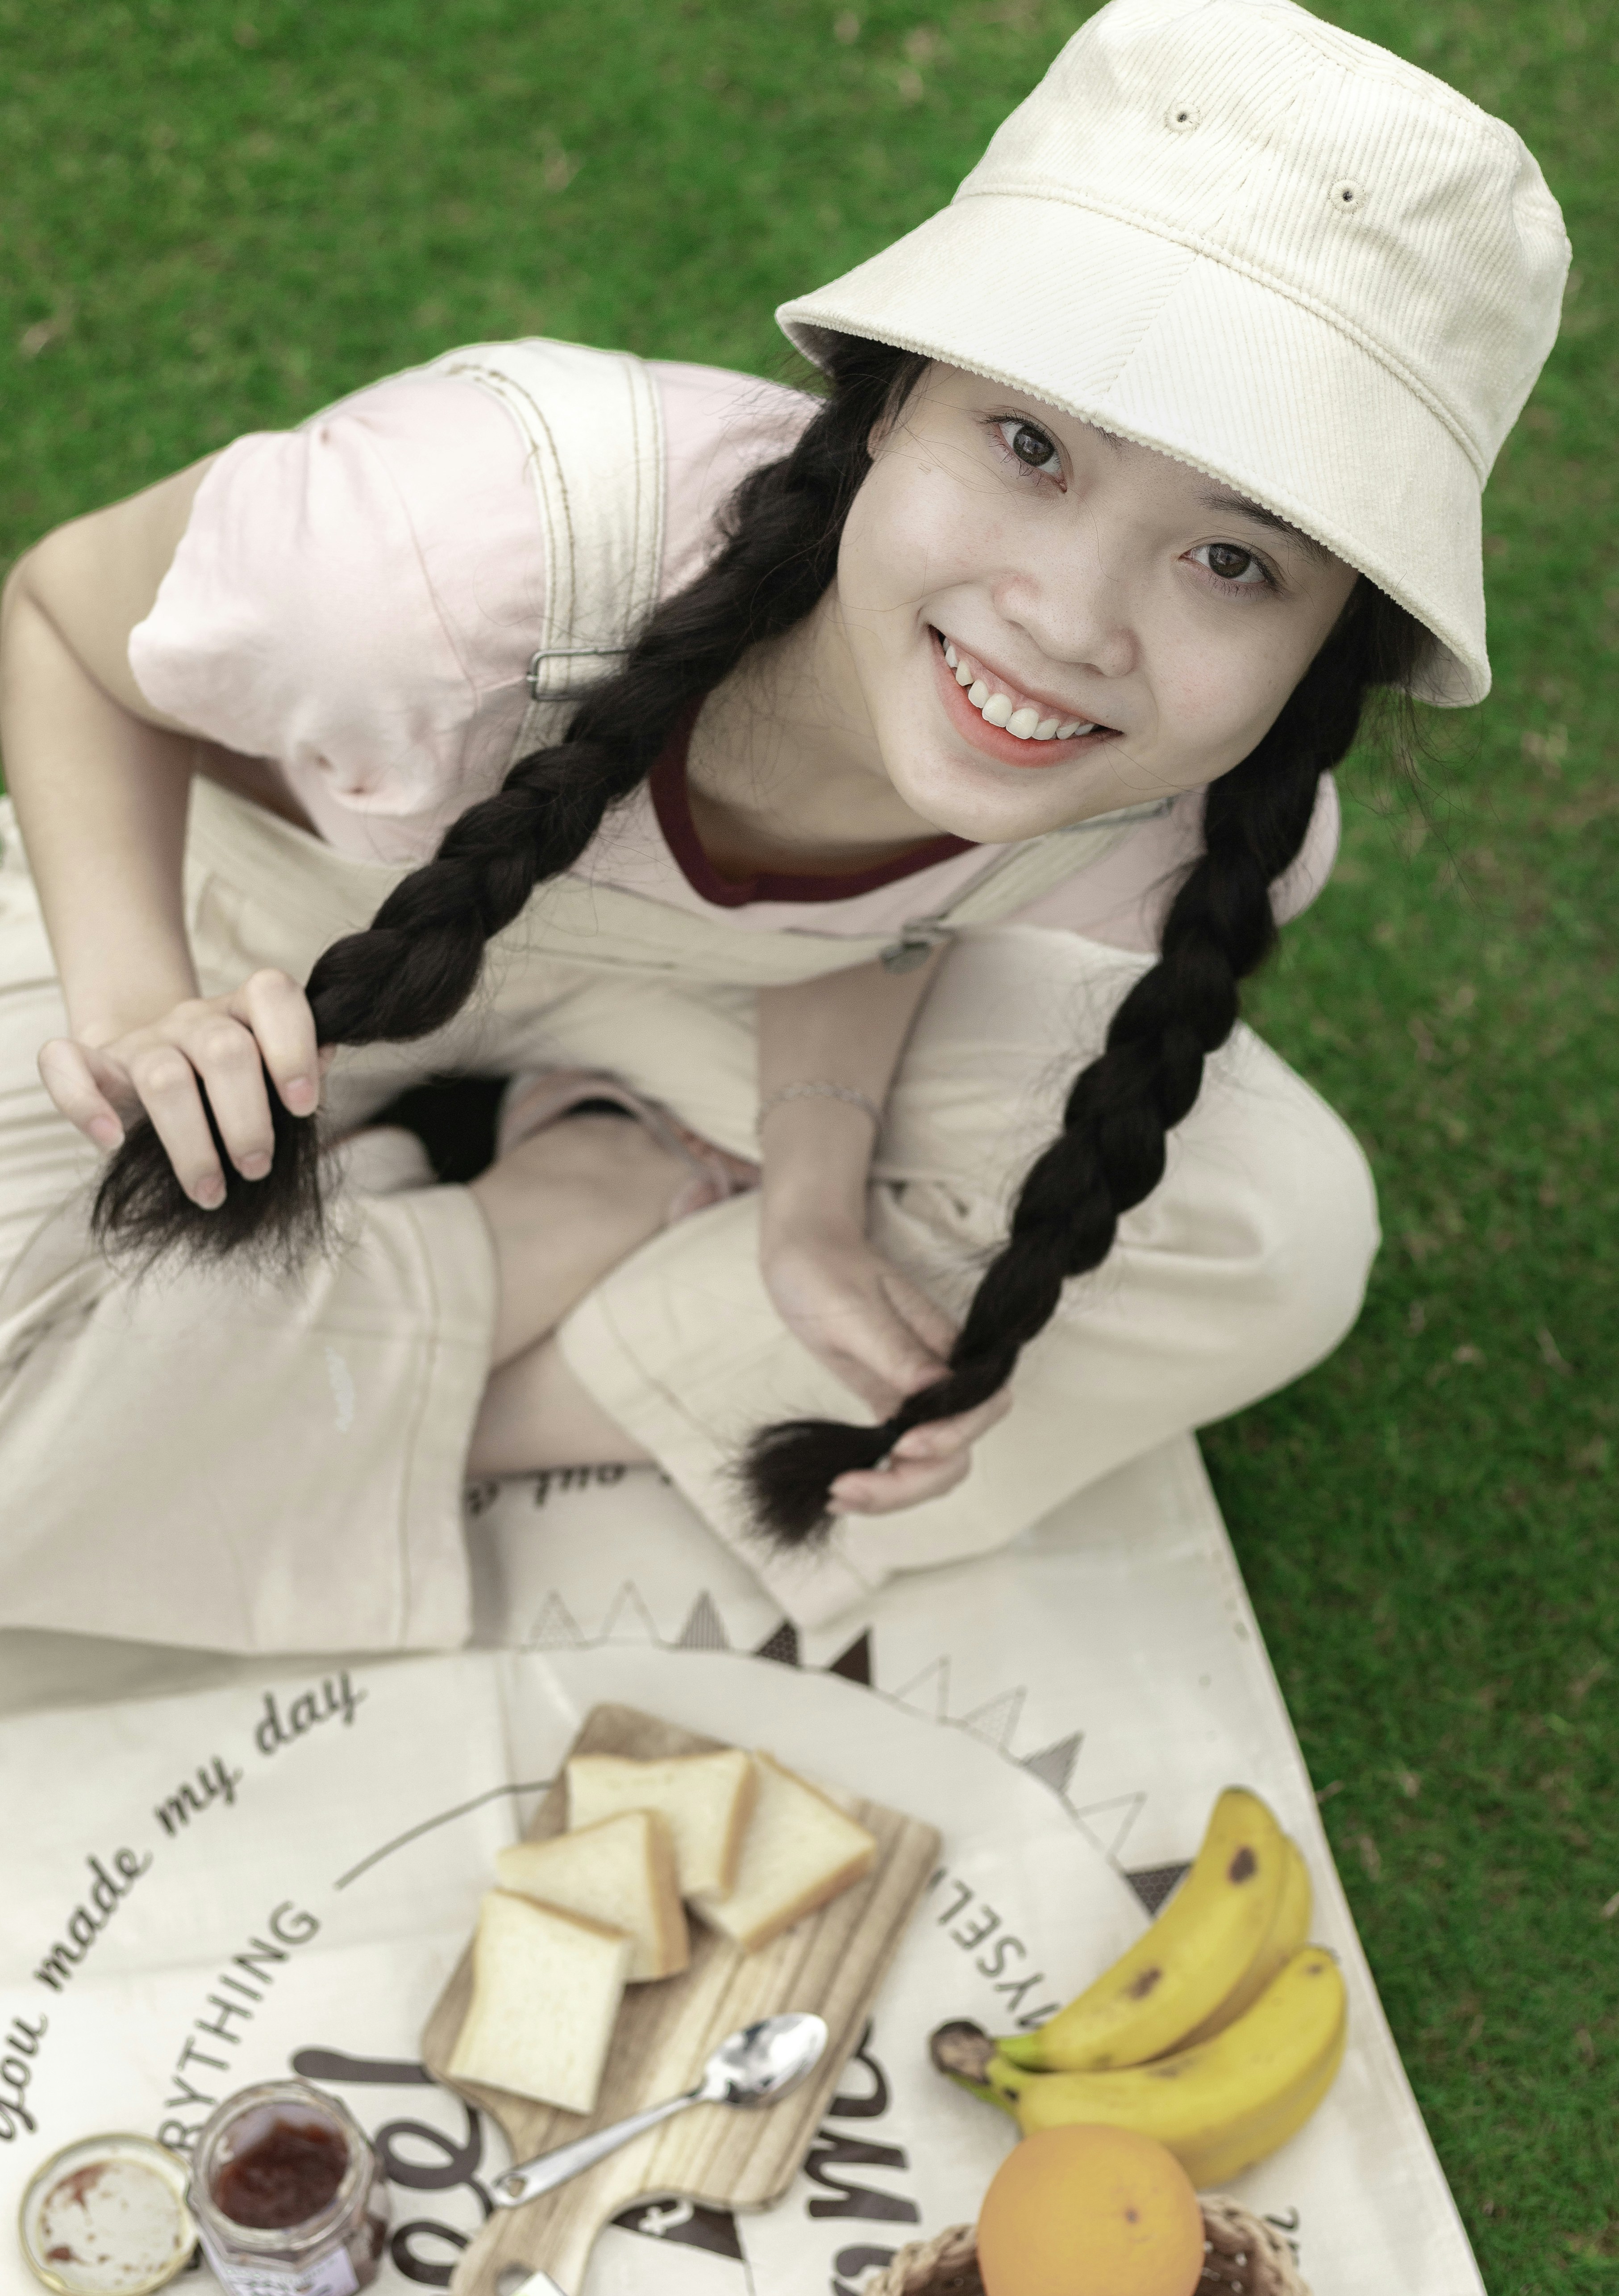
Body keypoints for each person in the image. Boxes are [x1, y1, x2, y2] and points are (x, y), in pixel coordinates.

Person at [0, 0, 1567, 1652]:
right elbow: (56, 622)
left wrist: (815, 1204)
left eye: (1234, 561)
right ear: (888, 404)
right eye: (1030, 447)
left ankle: (378, 1393)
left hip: (717, 1005)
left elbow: (900, 906)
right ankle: (544, 1238)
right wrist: (130, 1000)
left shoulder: (1200, 827)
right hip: (266, 935)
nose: (1068, 620)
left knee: (1266, 1235)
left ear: (1332, 641)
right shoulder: (449, 551)